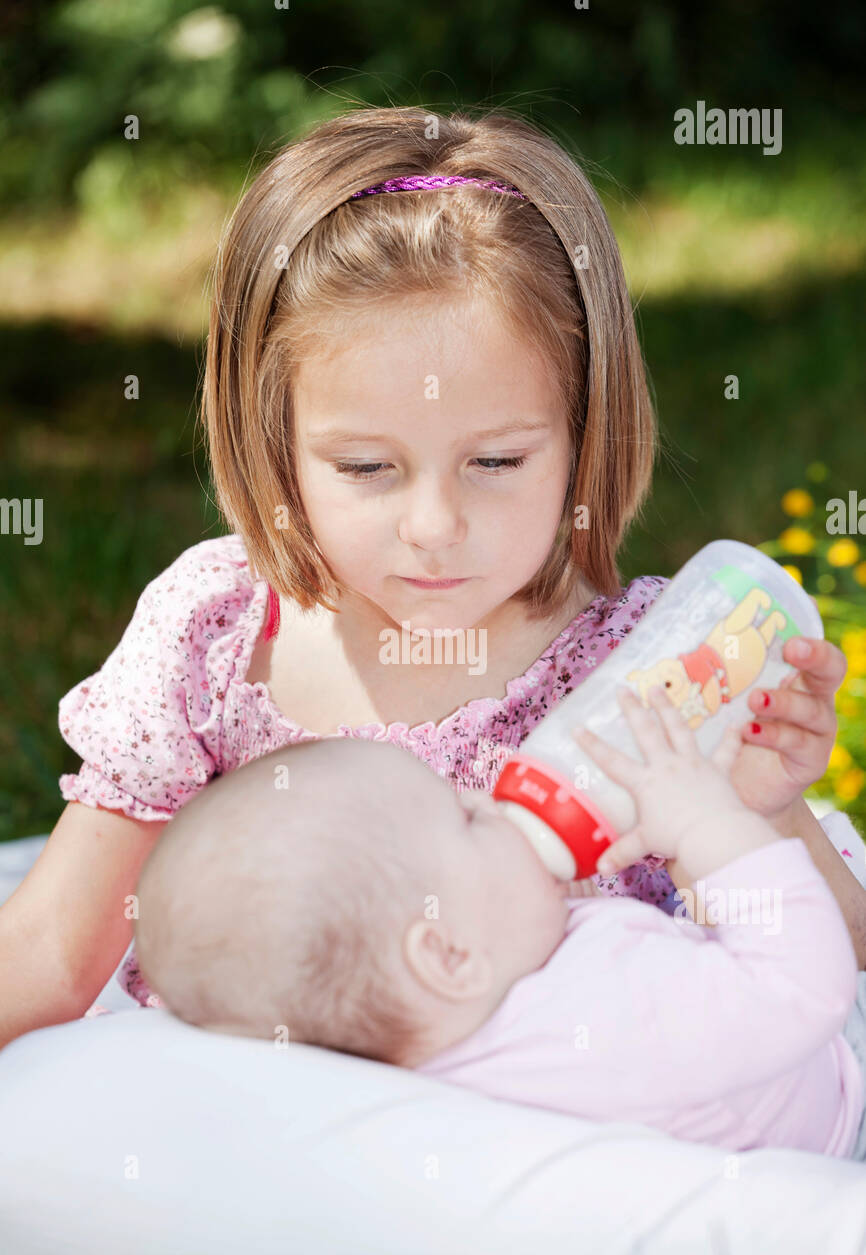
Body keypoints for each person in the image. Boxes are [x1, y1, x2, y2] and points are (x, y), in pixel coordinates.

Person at [1, 105, 862, 1050]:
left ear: (586, 429)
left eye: (496, 463)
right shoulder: (220, 640)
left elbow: (824, 976)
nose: (435, 530)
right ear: (274, 441)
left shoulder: (645, 675)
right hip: (255, 1157)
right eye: (366, 469)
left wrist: (760, 807)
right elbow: (51, 950)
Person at [134, 688, 865, 1160]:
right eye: (468, 817)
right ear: (447, 955)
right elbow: (802, 982)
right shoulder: (602, 1015)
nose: (489, 797)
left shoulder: (461, 1029)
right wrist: (711, 825)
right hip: (840, 1104)